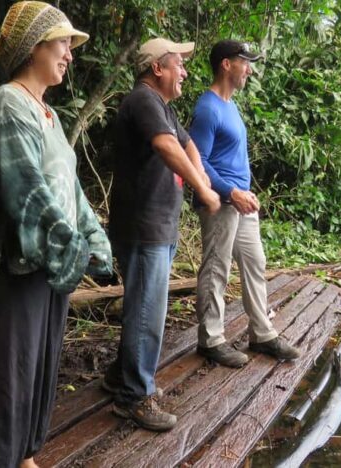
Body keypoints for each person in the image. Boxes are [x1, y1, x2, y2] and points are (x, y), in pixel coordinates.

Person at [0, 3, 112, 467]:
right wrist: (71, 245)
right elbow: (26, 188)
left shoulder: (49, 116)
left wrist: (94, 239)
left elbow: (72, 192)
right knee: (5, 377)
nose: (70, 55)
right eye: (63, 43)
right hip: (15, 265)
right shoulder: (8, 102)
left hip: (50, 263)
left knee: (36, 369)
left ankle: (21, 455)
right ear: (34, 47)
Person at [105, 38, 221, 432]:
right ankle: (134, 397)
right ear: (158, 68)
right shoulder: (142, 101)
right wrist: (203, 191)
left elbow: (187, 146)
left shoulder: (163, 108)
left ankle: (120, 375)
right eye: (179, 65)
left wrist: (202, 176)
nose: (185, 72)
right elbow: (167, 146)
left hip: (159, 226)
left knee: (144, 307)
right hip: (143, 228)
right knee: (146, 313)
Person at [189, 40, 300, 369]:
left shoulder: (231, 106)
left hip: (242, 203)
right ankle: (210, 340)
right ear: (226, 64)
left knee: (255, 263)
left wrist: (244, 193)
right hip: (221, 203)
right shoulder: (207, 108)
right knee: (216, 269)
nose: (249, 69)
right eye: (244, 62)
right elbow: (198, 161)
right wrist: (229, 192)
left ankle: (262, 334)